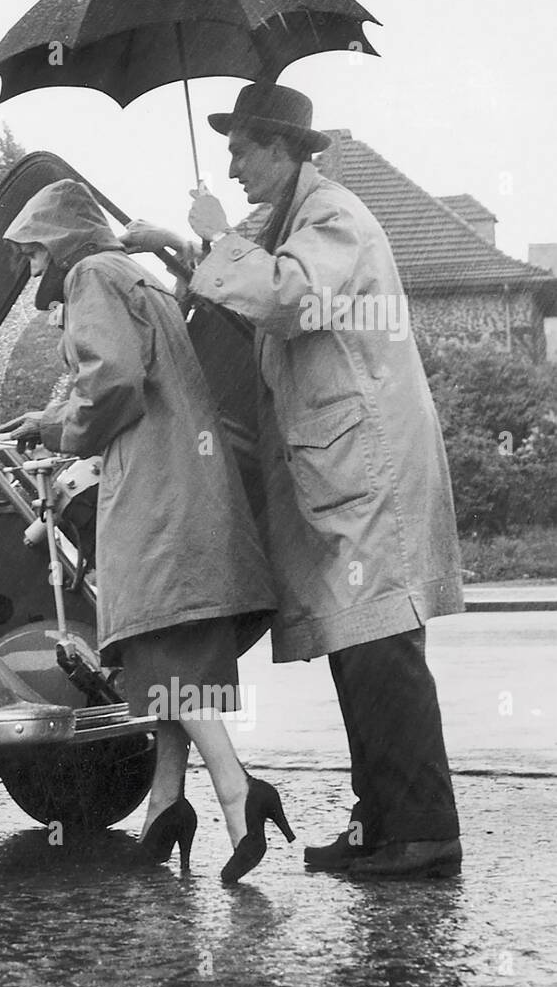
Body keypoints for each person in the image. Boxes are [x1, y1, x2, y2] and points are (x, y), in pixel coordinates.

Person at [125, 83, 464, 880]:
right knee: (358, 642)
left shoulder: (332, 216)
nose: (233, 164)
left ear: (283, 148)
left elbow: (289, 297)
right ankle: (381, 823)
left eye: (244, 147)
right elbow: (259, 311)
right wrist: (187, 250)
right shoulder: (293, 225)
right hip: (346, 465)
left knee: (380, 645)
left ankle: (421, 833)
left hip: (367, 464)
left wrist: (214, 236)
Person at [0, 178, 288, 884]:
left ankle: (236, 792)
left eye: (35, 252)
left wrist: (63, 431)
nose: (32, 269)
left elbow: (116, 382)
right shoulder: (139, 276)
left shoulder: (93, 274)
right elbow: (136, 372)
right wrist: (47, 421)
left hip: (154, 485)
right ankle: (166, 804)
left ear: (61, 241)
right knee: (174, 648)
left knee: (160, 647)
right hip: (192, 480)